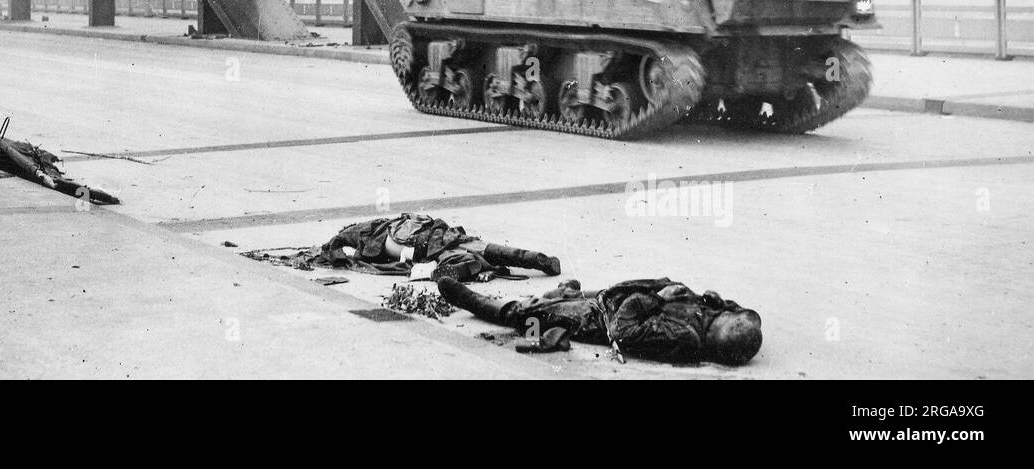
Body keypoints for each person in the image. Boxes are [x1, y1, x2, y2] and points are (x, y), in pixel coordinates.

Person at [438, 275, 762, 364]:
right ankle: (560, 293)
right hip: (614, 295)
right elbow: (743, 314)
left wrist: (657, 297)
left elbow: (625, 330)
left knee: (526, 314)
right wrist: (712, 301)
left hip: (601, 319)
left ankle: (476, 303)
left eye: (722, 318)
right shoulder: (714, 318)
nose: (720, 313)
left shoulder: (683, 336)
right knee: (568, 296)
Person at [311, 213, 561, 281]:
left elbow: (334, 247)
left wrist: (348, 255)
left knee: (464, 256)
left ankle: (463, 270)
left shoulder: (369, 235)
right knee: (483, 248)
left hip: (427, 249)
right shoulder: (392, 225)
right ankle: (539, 259)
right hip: (438, 237)